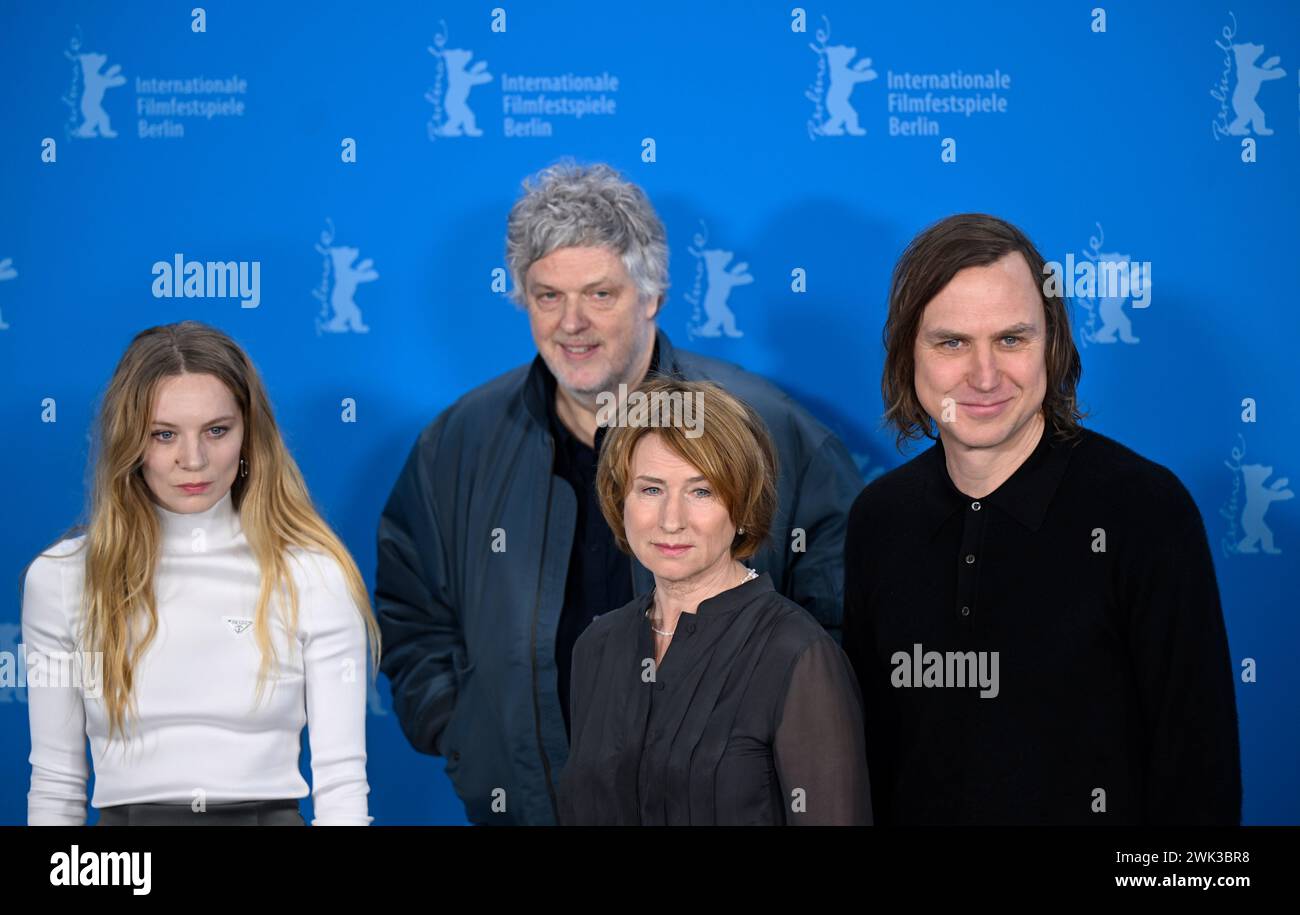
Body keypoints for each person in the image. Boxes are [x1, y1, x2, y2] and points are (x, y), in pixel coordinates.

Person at [376, 161, 862, 824]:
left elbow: (843, 621)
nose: (572, 322)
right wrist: (471, 736)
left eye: (599, 294)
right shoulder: (457, 445)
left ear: (652, 295)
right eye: (548, 296)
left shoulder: (767, 430)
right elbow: (411, 616)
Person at [842, 213, 1242, 825]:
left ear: (1052, 345)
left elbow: (1200, 783)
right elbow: (873, 761)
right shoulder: (879, 519)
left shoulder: (1145, 511)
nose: (983, 376)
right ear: (907, 354)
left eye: (1011, 339)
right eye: (952, 342)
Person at [22, 320, 380, 826]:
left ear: (248, 435)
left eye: (216, 430)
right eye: (164, 435)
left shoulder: (313, 574)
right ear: (129, 442)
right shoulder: (61, 578)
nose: (193, 459)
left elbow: (342, 784)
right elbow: (56, 784)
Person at [557, 378, 870, 825]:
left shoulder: (798, 654)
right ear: (618, 500)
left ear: (741, 508)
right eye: (651, 489)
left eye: (701, 491)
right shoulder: (596, 646)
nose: (671, 520)